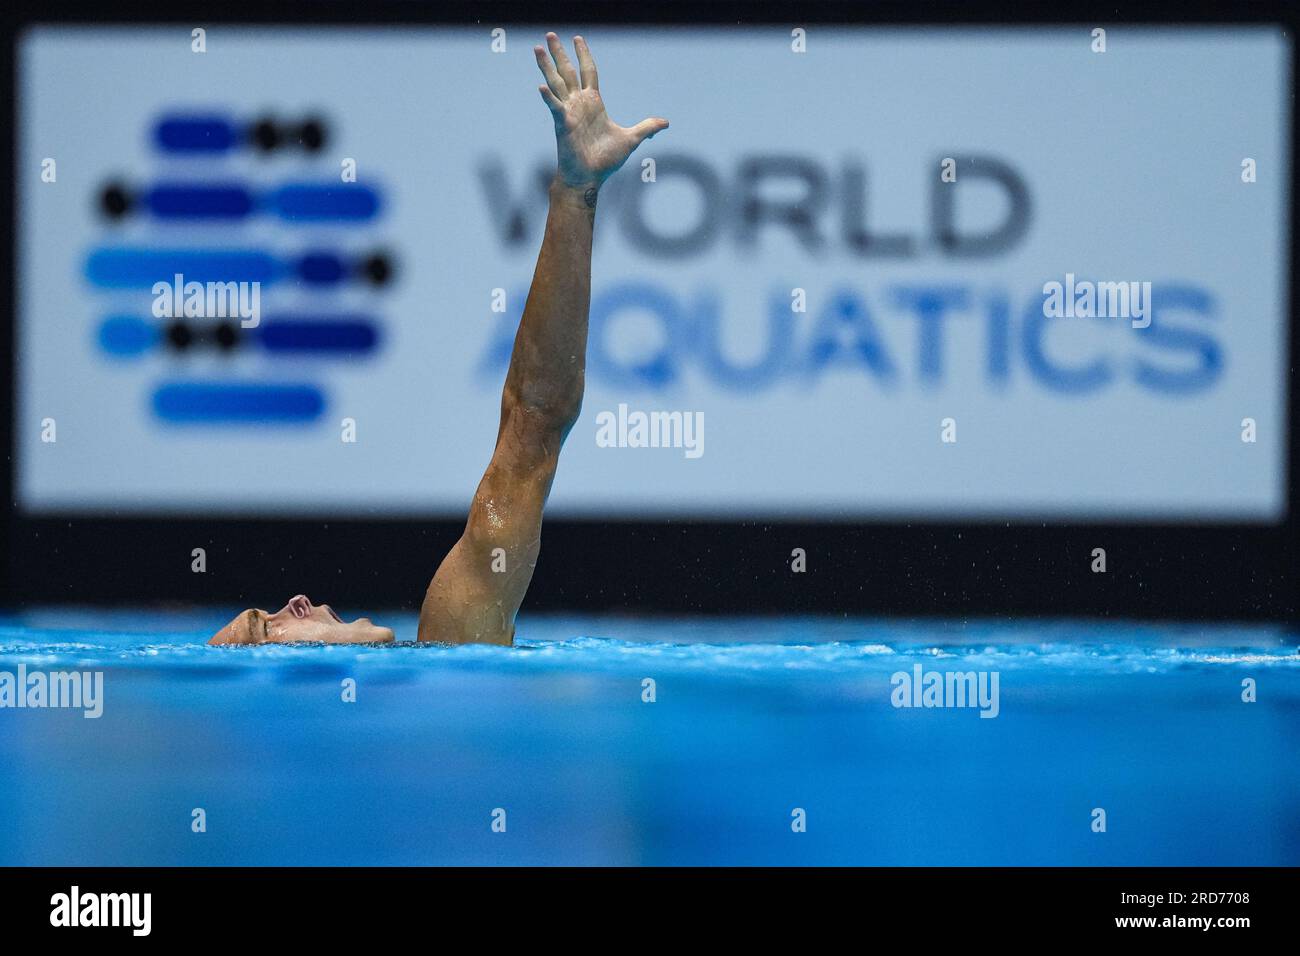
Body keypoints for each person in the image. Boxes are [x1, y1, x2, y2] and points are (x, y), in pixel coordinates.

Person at [210, 33, 668, 647]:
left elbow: (533, 425)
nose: (297, 600)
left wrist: (575, 193)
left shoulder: (445, 649)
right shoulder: (444, 665)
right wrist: (574, 194)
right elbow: (534, 424)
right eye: (267, 626)